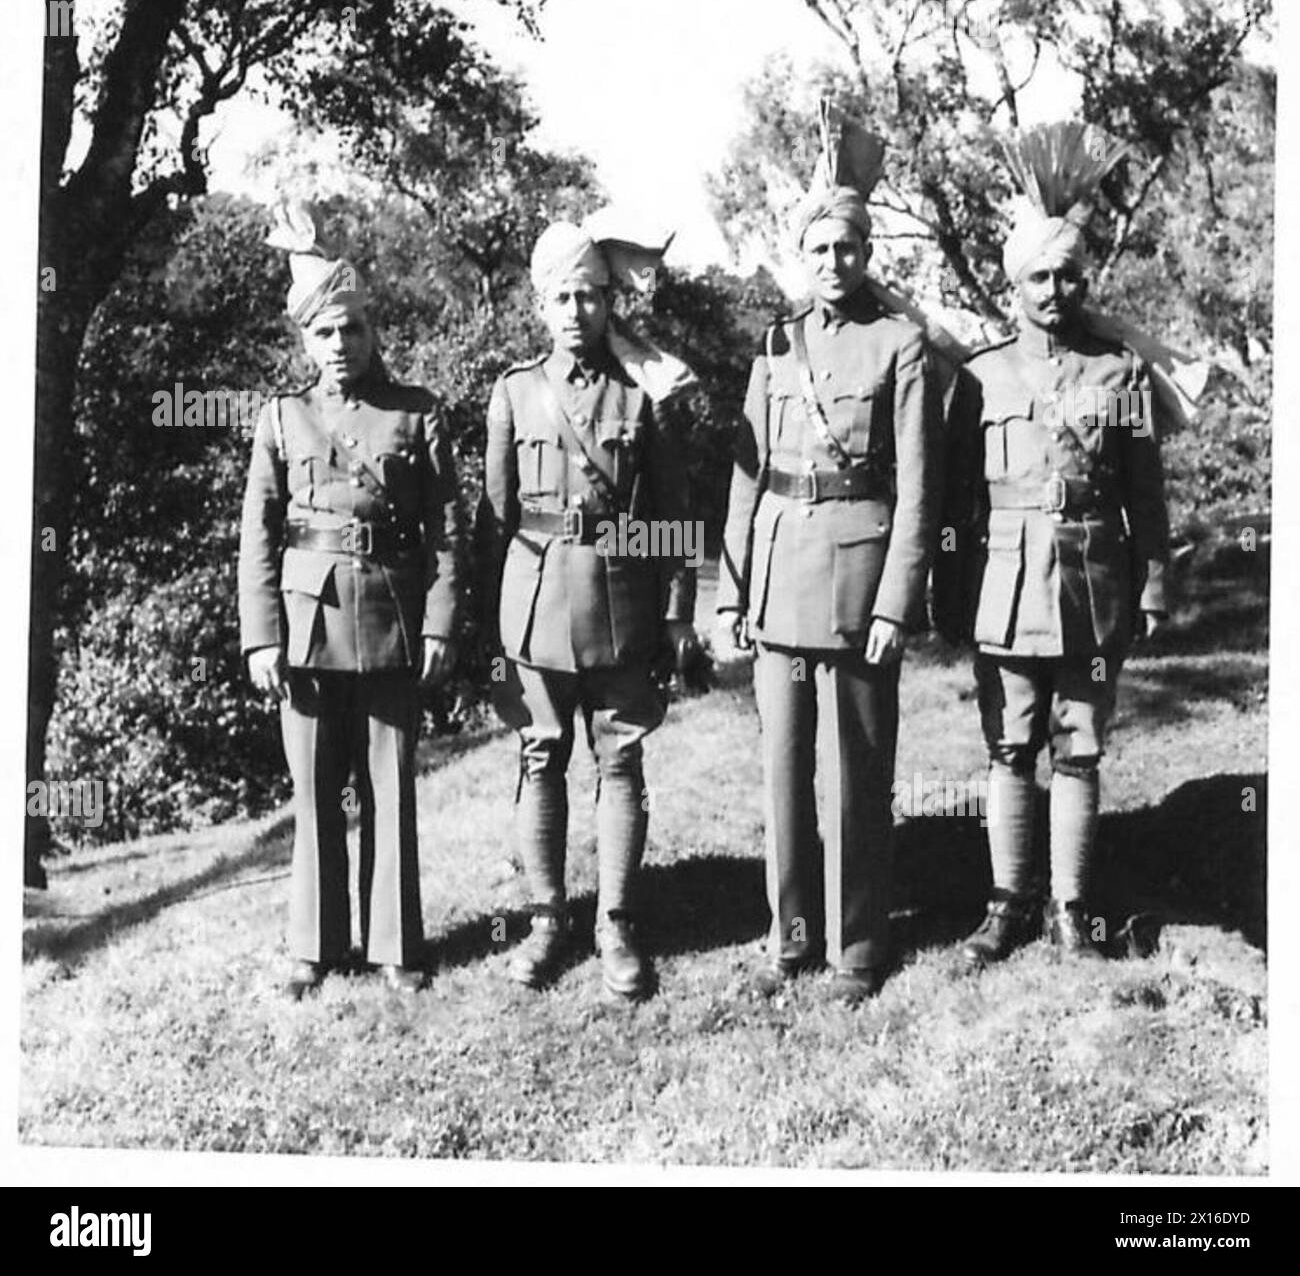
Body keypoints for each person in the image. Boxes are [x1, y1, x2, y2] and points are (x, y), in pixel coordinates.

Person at [716, 104, 943, 1003]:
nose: (834, 264)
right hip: (776, 578)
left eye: (849, 249)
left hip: (857, 577)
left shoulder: (902, 344)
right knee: (783, 773)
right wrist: (731, 591)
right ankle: (791, 935)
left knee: (856, 773)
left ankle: (857, 946)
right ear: (800, 257)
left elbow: (918, 488)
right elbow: (747, 474)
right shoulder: (775, 349)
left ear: (867, 253)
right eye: (819, 251)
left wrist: (895, 602)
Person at [935, 123, 1172, 967]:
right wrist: (950, 589)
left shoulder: (1120, 372)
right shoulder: (980, 375)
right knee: (1008, 742)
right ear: (1015, 284)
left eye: (1070, 273)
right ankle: (1007, 904)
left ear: (1085, 278)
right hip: (1004, 584)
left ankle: (1073, 905)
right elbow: (956, 496)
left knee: (1079, 743)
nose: (1055, 288)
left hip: (1093, 582)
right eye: (1039, 275)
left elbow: (1145, 491)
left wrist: (1151, 588)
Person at [238, 202, 459, 999]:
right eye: (325, 334)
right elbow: (257, 535)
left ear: (371, 331)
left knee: (389, 787)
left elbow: (446, 531)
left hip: (390, 620)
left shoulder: (417, 413)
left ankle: (397, 945)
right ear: (306, 340)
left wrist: (439, 623)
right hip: (305, 626)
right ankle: (315, 942)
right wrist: (262, 638)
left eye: (352, 331)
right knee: (315, 786)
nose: (340, 347)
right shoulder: (280, 417)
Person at [477, 211, 699, 1002]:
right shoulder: (514, 393)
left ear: (612, 302)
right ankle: (545, 919)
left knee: (621, 760)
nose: (577, 312)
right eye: (563, 298)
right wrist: (483, 628)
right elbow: (495, 520)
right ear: (541, 304)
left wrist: (677, 613)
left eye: (591, 296)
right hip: (533, 606)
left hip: (621, 603)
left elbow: (673, 510)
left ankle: (615, 920)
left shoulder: (644, 393)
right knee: (540, 756)